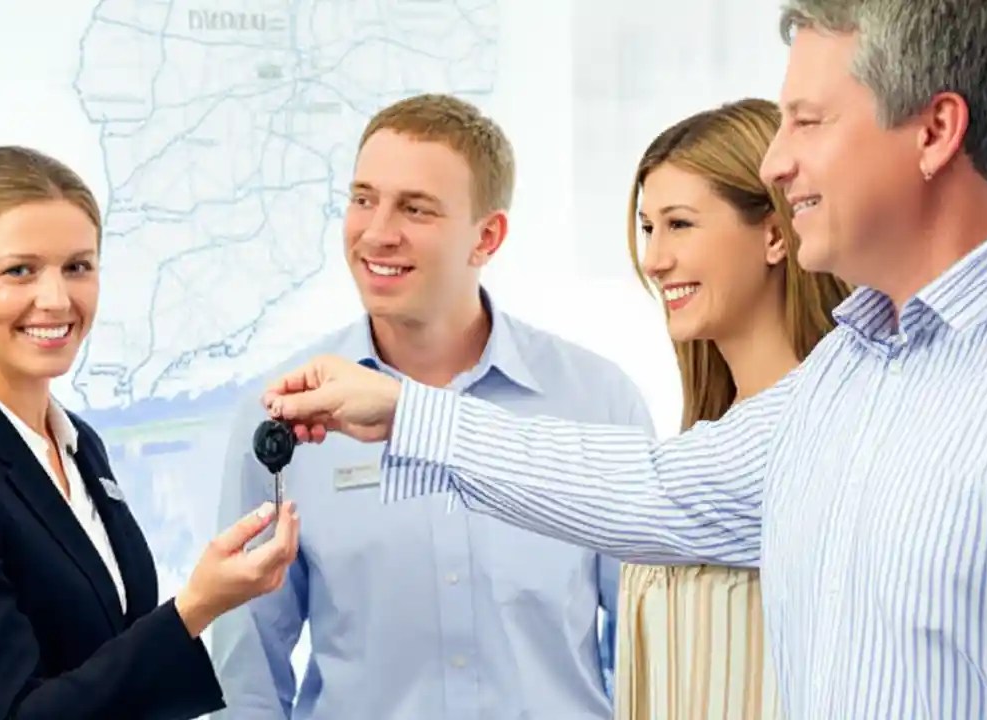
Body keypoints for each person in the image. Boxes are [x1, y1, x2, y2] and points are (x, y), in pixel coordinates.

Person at [258, 1, 987, 717]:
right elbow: (654, 488)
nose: (776, 161)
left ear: (935, 131)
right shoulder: (848, 375)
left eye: (809, 121)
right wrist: (402, 411)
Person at [209, 93, 654, 720]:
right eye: (363, 199)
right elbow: (248, 675)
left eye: (415, 208)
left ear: (487, 237)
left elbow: (650, 649)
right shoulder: (282, 416)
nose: (377, 232)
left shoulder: (598, 403)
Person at [0, 145, 300, 720]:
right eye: (20, 270)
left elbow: (108, 659)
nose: (56, 299)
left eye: (77, 267)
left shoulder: (79, 446)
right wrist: (194, 608)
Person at [613, 98, 850, 720]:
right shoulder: (705, 441)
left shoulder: (817, 434)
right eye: (648, 227)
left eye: (680, 224)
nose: (654, 259)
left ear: (774, 234)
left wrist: (417, 419)